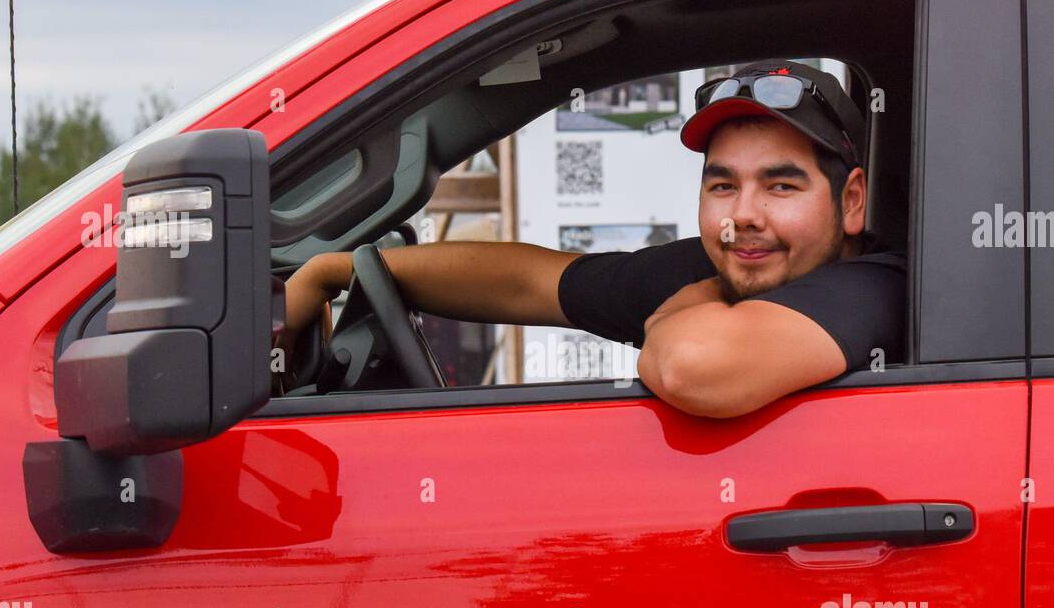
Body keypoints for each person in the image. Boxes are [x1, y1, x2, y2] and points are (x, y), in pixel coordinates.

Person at [278, 61, 905, 418]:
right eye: (722, 186)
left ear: (851, 202)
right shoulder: (731, 265)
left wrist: (673, 312)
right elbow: (529, 281)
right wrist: (335, 271)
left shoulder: (880, 288)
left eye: (781, 187)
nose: (742, 215)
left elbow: (693, 368)